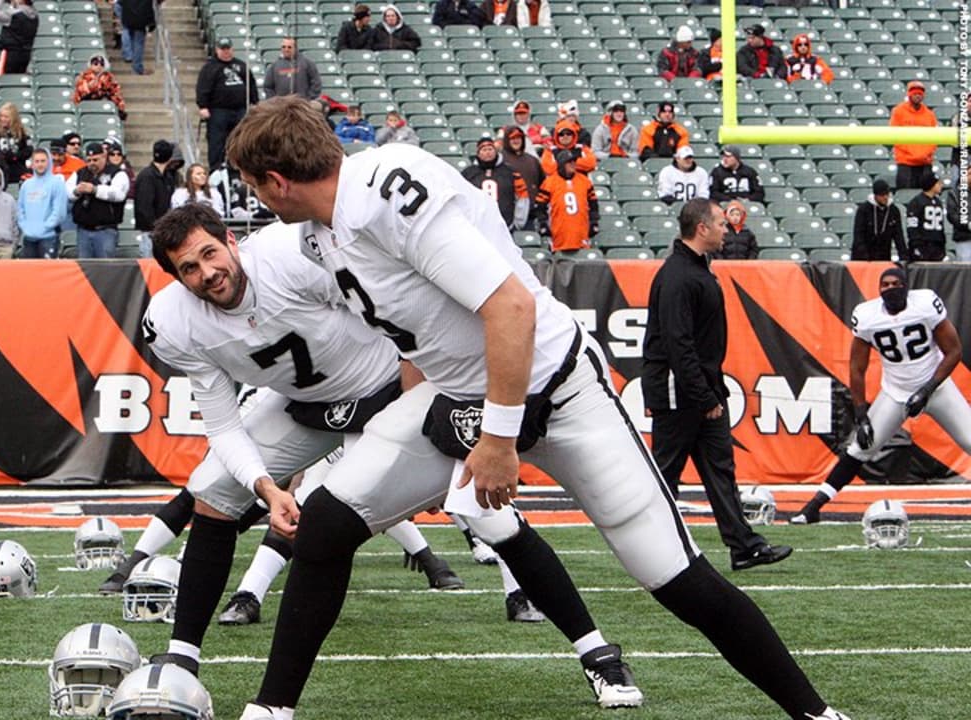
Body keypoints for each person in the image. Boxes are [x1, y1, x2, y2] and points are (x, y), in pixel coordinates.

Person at [224, 97, 852, 720]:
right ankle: (272, 709)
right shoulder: (318, 235)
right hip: (463, 397)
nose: (257, 199)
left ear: (276, 182)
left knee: (674, 577)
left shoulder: (383, 192)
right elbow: (412, 330)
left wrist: (497, 440)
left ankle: (816, 714)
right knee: (325, 525)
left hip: (557, 392)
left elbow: (511, 307)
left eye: (255, 185)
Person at [137, 205, 639, 695]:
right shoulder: (176, 322)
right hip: (307, 404)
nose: (207, 273)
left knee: (489, 518)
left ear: (230, 240)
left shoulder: (289, 255)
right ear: (176, 280)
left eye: (209, 254)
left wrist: (416, 402)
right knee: (214, 491)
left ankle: (596, 652)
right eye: (189, 268)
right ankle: (183, 653)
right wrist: (265, 488)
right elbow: (223, 425)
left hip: (391, 385)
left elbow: (395, 310)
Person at [644, 198, 792, 567]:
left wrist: (710, 392)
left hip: (702, 389)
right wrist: (703, 395)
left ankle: (744, 546)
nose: (728, 230)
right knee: (665, 476)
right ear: (702, 228)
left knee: (719, 468)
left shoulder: (696, 269)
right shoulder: (679, 276)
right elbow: (678, 345)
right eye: (722, 224)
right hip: (683, 392)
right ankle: (650, 549)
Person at [792, 267, 971, 525]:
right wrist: (861, 414)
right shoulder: (868, 316)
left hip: (937, 387)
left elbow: (953, 351)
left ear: (906, 287)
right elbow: (857, 367)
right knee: (860, 449)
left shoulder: (925, 305)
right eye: (885, 284)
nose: (890, 288)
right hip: (896, 392)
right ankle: (813, 507)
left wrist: (927, 390)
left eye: (896, 283)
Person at [196, 37, 260, 170]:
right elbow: (203, 87)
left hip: (240, 109)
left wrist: (255, 102)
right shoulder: (210, 67)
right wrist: (203, 106)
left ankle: (238, 168)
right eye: (223, 49)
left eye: (228, 49)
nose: (226, 52)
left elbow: (251, 85)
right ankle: (216, 169)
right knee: (217, 142)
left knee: (240, 140)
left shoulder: (241, 65)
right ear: (217, 50)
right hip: (218, 110)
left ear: (232, 49)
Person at [66, 142, 129, 258]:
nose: (91, 163)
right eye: (89, 160)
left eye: (95, 160)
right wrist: (77, 191)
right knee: (85, 268)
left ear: (104, 157)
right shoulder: (80, 173)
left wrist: (95, 190)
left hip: (105, 229)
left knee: (106, 268)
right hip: (83, 229)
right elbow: (67, 192)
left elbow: (119, 195)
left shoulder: (117, 173)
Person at [462, 136, 528, 231]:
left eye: (490, 149)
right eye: (484, 150)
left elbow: (522, 195)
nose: (488, 152)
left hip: (505, 225)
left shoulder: (510, 172)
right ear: (478, 153)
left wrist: (518, 222)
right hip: (477, 226)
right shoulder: (468, 173)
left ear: (496, 151)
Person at [537, 149, 597, 252]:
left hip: (581, 233)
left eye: (574, 161)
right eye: (569, 162)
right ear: (561, 164)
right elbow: (540, 206)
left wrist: (594, 221)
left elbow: (593, 204)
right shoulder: (549, 183)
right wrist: (543, 223)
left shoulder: (585, 181)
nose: (573, 164)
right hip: (559, 234)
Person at [17, 148, 68, 258]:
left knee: (48, 273)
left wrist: (44, 227)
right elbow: (20, 209)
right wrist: (25, 227)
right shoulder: (26, 185)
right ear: (32, 164)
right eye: (37, 161)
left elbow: (59, 212)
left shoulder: (57, 183)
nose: (40, 164)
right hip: (29, 237)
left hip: (48, 237)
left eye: (43, 161)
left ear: (49, 162)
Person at [890, 81, 938, 189]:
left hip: (924, 163)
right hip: (905, 162)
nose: (917, 95)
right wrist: (913, 153)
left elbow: (934, 139)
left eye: (920, 94)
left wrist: (924, 154)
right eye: (915, 93)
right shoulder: (899, 111)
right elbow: (895, 136)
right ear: (909, 94)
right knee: (905, 194)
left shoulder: (930, 115)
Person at [851, 178, 907, 261]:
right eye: (882, 195)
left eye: (887, 194)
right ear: (875, 195)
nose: (885, 197)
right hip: (863, 258)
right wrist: (864, 256)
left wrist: (903, 256)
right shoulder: (864, 210)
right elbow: (859, 234)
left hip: (884, 257)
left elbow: (898, 236)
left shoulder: (893, 210)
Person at [134, 139, 179, 239]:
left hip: (163, 231)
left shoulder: (167, 177)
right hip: (150, 231)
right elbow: (144, 207)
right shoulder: (147, 176)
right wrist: (156, 227)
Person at [72, 54, 129, 121]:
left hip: (104, 107)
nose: (99, 66)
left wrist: (120, 107)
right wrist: (89, 87)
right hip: (87, 106)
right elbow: (79, 93)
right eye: (95, 63)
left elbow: (116, 93)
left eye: (101, 64)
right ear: (91, 65)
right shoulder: (83, 76)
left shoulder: (109, 77)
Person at [905, 170, 946, 261]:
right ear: (931, 185)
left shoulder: (938, 202)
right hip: (923, 245)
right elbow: (912, 226)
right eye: (938, 183)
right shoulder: (916, 202)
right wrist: (916, 245)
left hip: (937, 245)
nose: (941, 185)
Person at [0, 0, 38, 75]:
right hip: (26, 54)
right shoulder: (35, 16)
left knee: (5, 80)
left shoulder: (14, 15)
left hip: (10, 53)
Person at [0, 102, 32, 181]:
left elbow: (29, 150)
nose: (2, 119)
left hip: (18, 171)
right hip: (0, 172)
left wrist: (15, 157)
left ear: (13, 118)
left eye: (6, 117)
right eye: (1, 116)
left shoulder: (22, 133)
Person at [120, 0, 154, 75]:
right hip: (140, 19)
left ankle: (132, 60)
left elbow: (120, 3)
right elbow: (149, 8)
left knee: (132, 39)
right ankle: (137, 68)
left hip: (128, 17)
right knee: (138, 43)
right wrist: (151, 23)